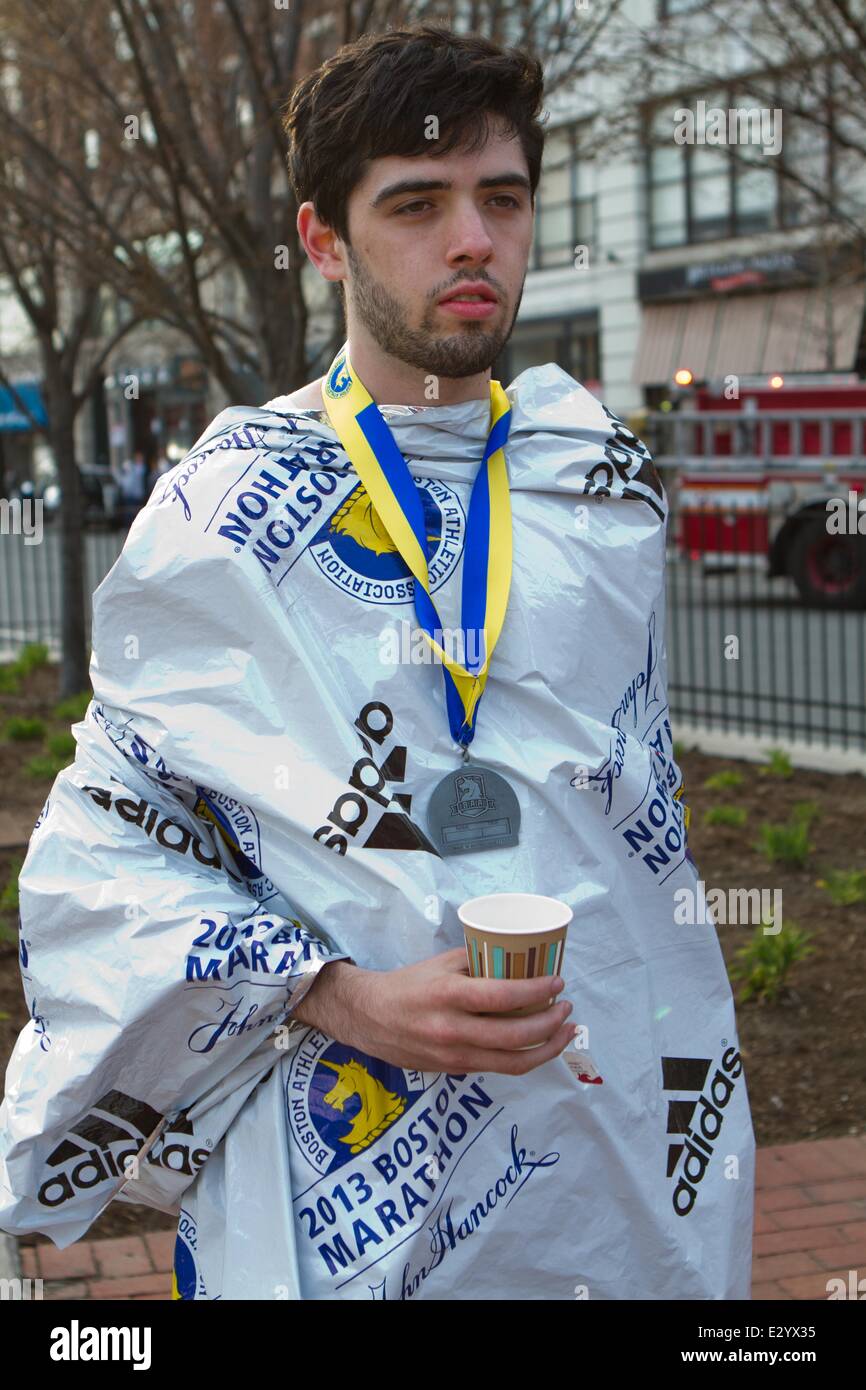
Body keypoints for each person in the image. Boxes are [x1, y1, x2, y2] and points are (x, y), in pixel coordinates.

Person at [0, 23, 755, 1300]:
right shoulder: (225, 513)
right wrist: (339, 997)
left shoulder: (600, 483)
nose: (472, 242)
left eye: (500, 200)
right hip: (339, 1188)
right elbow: (109, 857)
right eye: (416, 204)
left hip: (619, 1155)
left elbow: (630, 811)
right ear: (322, 240)